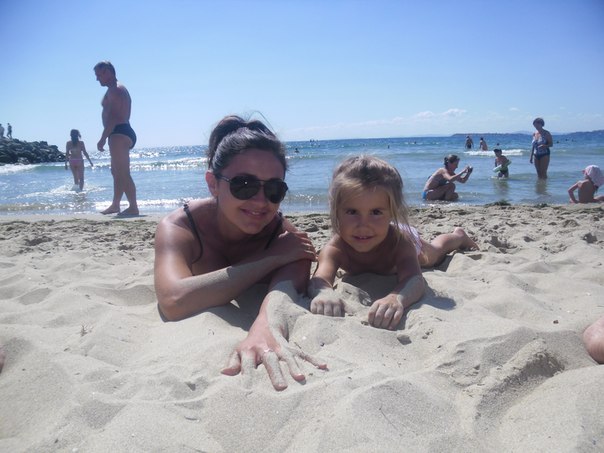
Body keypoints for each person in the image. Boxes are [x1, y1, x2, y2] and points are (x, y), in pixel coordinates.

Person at [154, 115, 326, 391]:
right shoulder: (181, 227)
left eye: (274, 189)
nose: (260, 201)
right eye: (244, 185)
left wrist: (265, 326)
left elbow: (282, 296)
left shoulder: (285, 238)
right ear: (213, 183)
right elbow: (173, 301)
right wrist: (269, 259)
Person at [308, 155, 478, 329]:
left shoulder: (399, 243)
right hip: (383, 232)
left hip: (402, 236)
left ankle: (459, 236)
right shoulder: (335, 248)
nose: (363, 225)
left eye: (376, 212)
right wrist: (324, 293)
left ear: (392, 211)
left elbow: (414, 279)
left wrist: (396, 298)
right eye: (352, 212)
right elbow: (320, 278)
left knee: (434, 253)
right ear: (336, 211)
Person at [94, 60, 139, 216]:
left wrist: (102, 138)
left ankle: (133, 207)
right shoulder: (116, 89)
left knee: (123, 172)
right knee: (116, 171)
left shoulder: (116, 90)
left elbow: (113, 117)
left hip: (119, 131)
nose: (97, 79)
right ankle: (115, 205)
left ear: (107, 72)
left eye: (99, 75)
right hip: (120, 131)